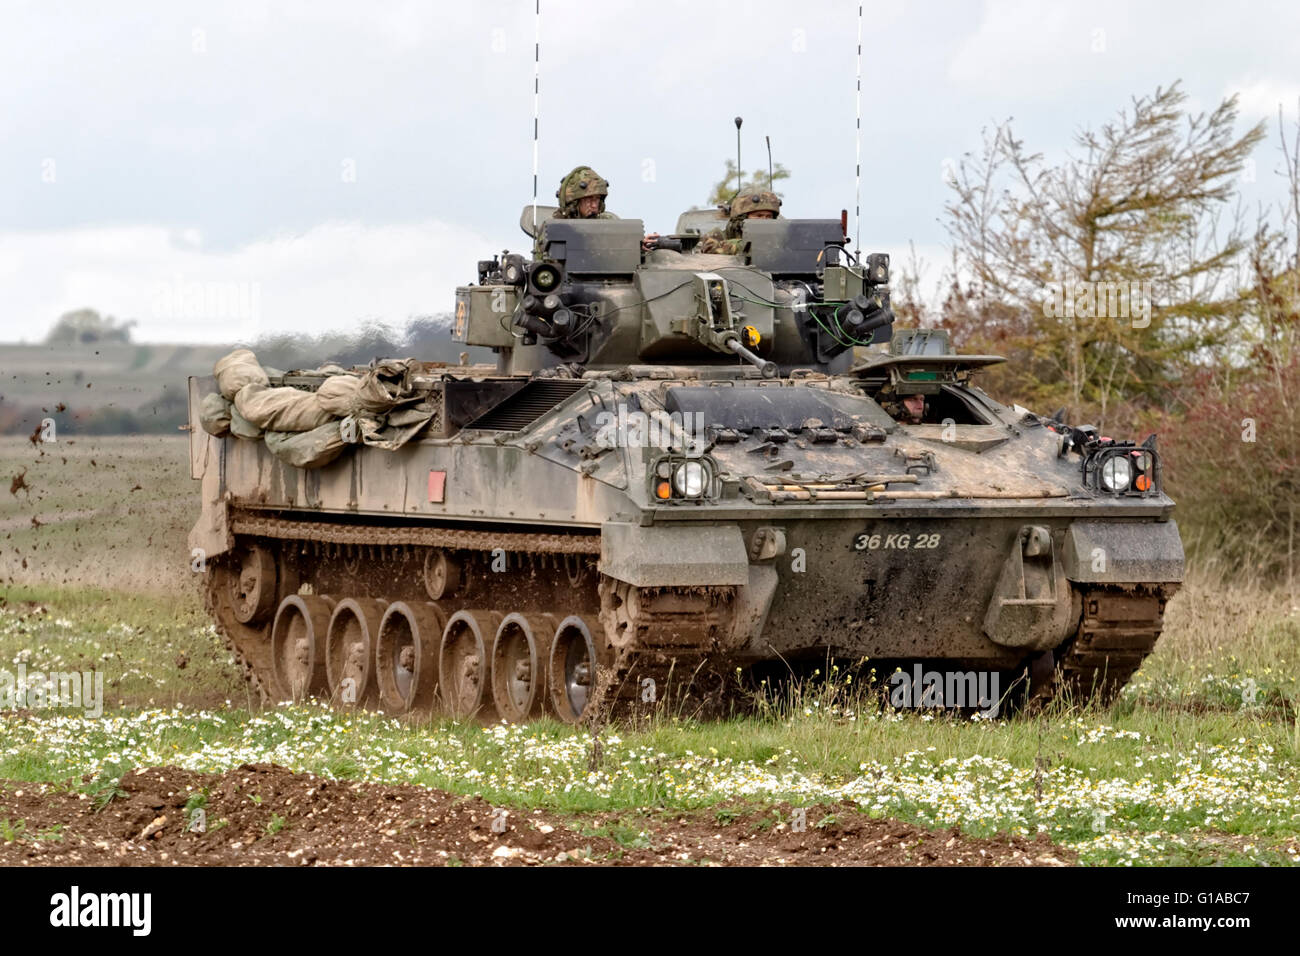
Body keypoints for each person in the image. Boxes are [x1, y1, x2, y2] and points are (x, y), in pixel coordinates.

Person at [696, 189, 782, 254]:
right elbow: (709, 249)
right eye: (758, 216)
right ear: (741, 219)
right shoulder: (717, 237)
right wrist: (747, 245)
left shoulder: (779, 240)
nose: (764, 221)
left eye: (768, 216)